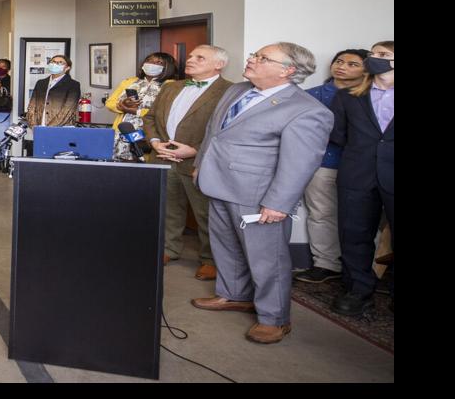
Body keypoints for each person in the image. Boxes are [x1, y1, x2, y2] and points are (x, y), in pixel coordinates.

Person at [159, 43, 332, 345]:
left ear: (287, 70)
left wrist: (278, 203)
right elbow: (215, 131)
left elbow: (300, 163)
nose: (252, 59)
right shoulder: (238, 90)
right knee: (225, 246)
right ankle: (233, 295)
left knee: (268, 258)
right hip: (218, 183)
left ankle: (273, 318)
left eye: (263, 58)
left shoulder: (306, 110)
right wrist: (200, 165)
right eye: (254, 54)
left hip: (258, 194)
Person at [142, 45, 232, 279]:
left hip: (199, 161)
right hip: (162, 156)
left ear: (218, 64)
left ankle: (210, 259)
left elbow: (228, 131)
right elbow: (150, 117)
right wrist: (154, 142)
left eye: (199, 58)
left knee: (206, 213)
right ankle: (168, 248)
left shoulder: (230, 91)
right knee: (167, 208)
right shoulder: (172, 87)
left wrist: (195, 151)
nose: (190, 60)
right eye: (191, 56)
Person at [328, 40, 393, 316]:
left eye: (383, 55)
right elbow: (338, 135)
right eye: (374, 53)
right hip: (357, 173)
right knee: (354, 234)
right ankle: (359, 290)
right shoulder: (348, 96)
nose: (374, 58)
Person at [294, 48, 369, 284]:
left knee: (364, 217)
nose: (342, 66)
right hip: (323, 163)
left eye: (352, 64)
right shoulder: (310, 95)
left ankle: (366, 267)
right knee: (321, 214)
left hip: (362, 166)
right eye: (339, 61)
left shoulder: (372, 96)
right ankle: (326, 264)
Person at [107, 51, 177, 161]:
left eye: (158, 62)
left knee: (141, 165)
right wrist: (122, 105)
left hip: (148, 133)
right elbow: (110, 103)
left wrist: (137, 111)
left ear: (167, 67)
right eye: (149, 60)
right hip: (123, 130)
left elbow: (164, 112)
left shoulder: (170, 85)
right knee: (118, 162)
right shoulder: (130, 82)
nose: (152, 64)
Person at [25, 55, 80, 128]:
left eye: (60, 63)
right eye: (53, 62)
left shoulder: (73, 85)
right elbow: (32, 105)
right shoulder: (41, 83)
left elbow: (68, 110)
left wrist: (50, 128)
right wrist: (33, 125)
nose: (55, 64)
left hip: (61, 128)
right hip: (39, 126)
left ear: (67, 68)